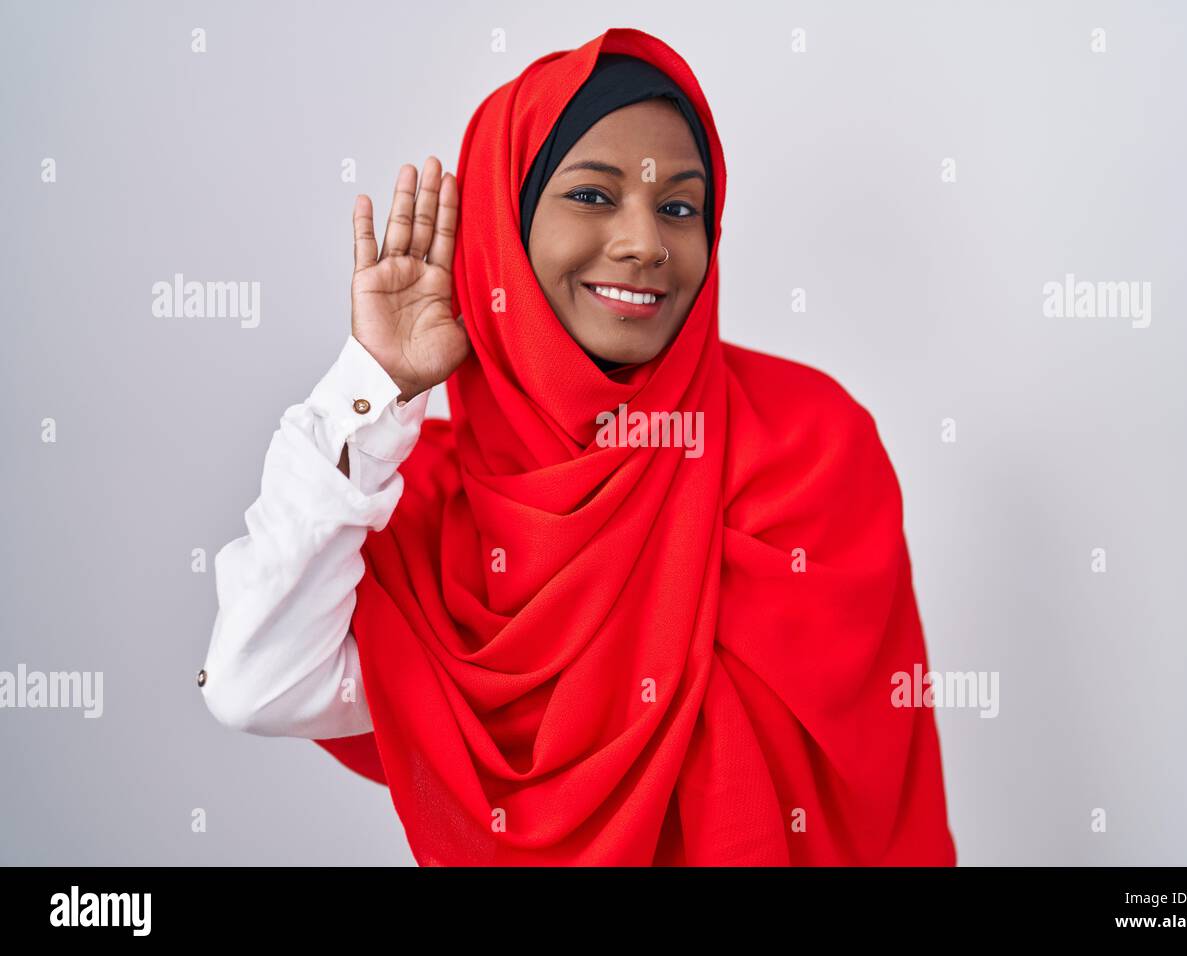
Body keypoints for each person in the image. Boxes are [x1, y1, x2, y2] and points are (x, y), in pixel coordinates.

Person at [199, 27, 958, 866]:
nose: (646, 243)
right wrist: (375, 386)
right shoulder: (426, 501)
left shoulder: (809, 443)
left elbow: (882, 798)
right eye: (594, 196)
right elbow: (254, 681)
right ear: (504, 224)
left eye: (680, 206)